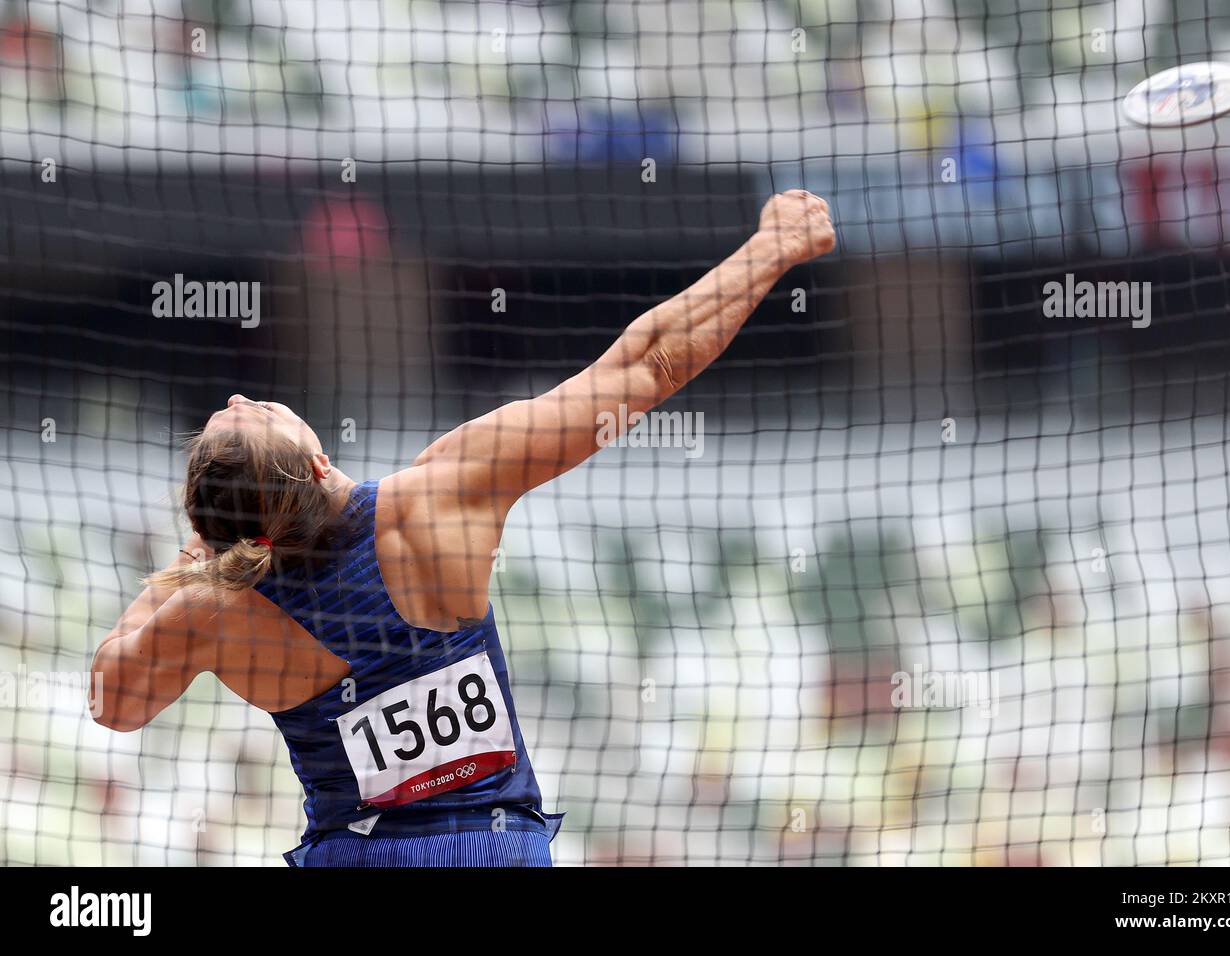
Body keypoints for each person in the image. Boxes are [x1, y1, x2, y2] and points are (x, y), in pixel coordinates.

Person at [89, 190, 835, 866]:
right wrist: (771, 247)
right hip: (497, 847)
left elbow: (112, 701)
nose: (241, 392)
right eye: (252, 415)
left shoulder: (213, 613)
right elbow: (646, 365)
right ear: (316, 463)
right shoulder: (443, 496)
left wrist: (202, 551)